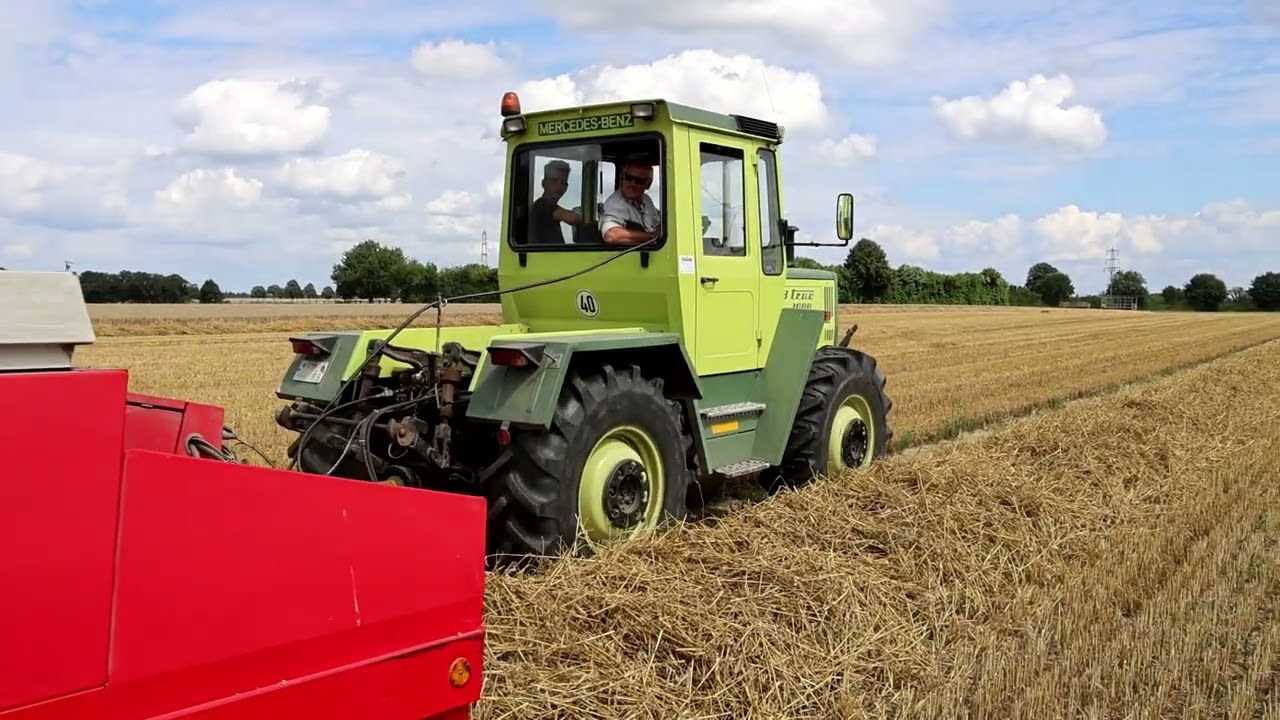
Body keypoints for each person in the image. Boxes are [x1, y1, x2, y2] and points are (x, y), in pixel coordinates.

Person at [600, 159, 662, 245]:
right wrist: (654, 236)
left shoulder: (646, 200)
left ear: (648, 185)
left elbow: (658, 220)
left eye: (639, 181)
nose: (632, 184)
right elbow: (611, 235)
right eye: (629, 178)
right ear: (622, 178)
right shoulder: (616, 203)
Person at [529, 160, 581, 244]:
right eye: (554, 181)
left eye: (563, 183)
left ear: (566, 187)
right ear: (544, 183)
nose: (559, 186)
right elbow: (572, 218)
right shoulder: (542, 205)